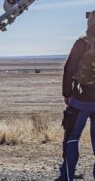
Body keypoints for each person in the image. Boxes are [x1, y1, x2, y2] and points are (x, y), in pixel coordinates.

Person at [58, 11, 95, 181]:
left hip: (80, 100)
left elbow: (69, 68)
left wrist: (67, 93)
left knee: (72, 138)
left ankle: (67, 176)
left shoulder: (82, 42)